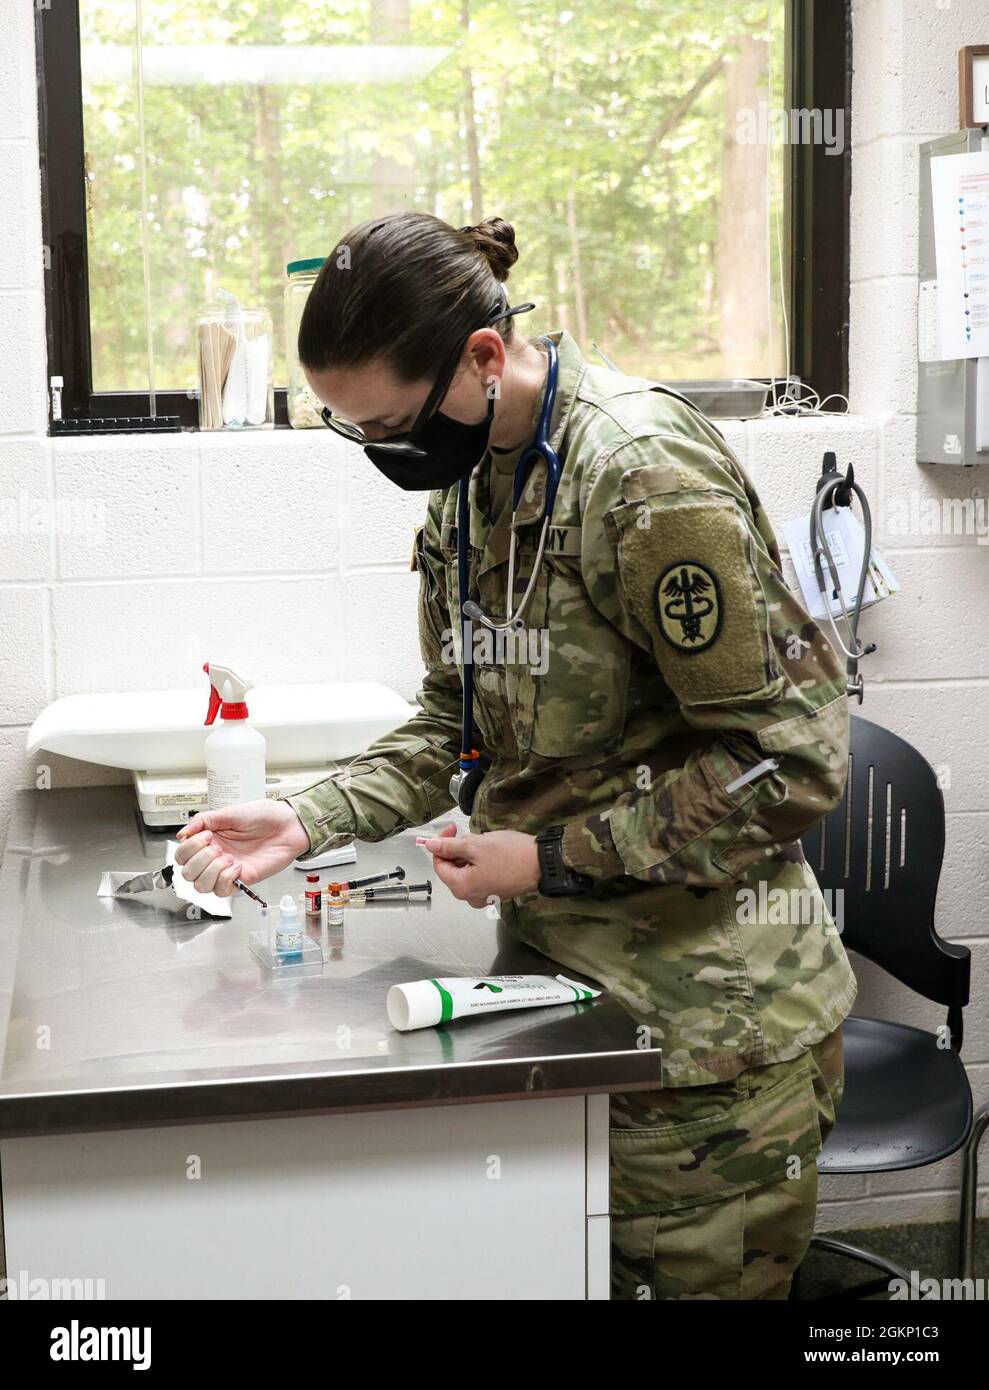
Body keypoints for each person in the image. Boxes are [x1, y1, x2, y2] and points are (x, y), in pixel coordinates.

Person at [175, 211, 857, 1299]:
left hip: (706, 1041)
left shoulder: (642, 480)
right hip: (562, 996)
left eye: (392, 422)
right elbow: (456, 714)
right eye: (359, 433)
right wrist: (311, 816)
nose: (387, 452)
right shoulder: (470, 479)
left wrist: (549, 860)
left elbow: (788, 760)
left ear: (484, 356)